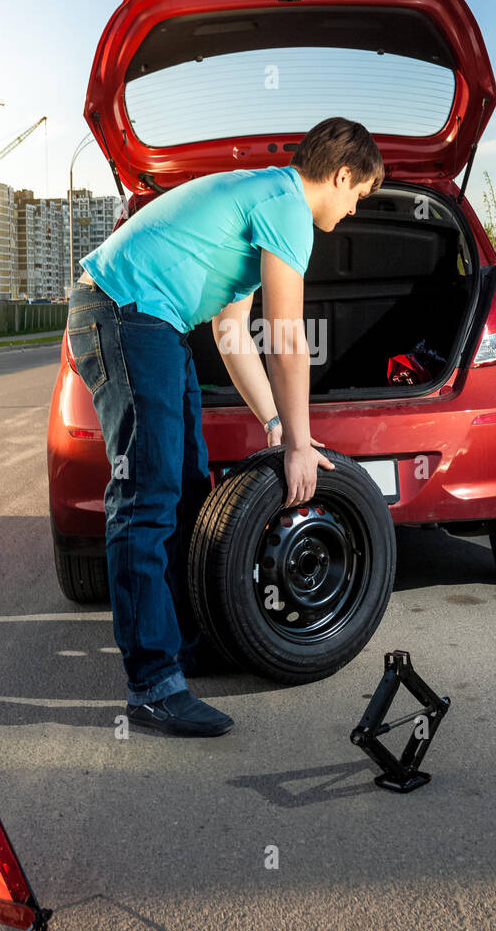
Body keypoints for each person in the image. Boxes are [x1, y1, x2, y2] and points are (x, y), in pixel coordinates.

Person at [67, 115, 385, 737]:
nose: (352, 212)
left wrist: (273, 421)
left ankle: (185, 649)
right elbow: (288, 336)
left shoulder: (262, 199)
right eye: (359, 196)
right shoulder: (287, 204)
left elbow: (231, 330)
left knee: (187, 491)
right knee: (146, 501)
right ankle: (153, 685)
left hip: (149, 322)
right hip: (125, 315)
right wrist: (297, 443)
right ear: (343, 174)